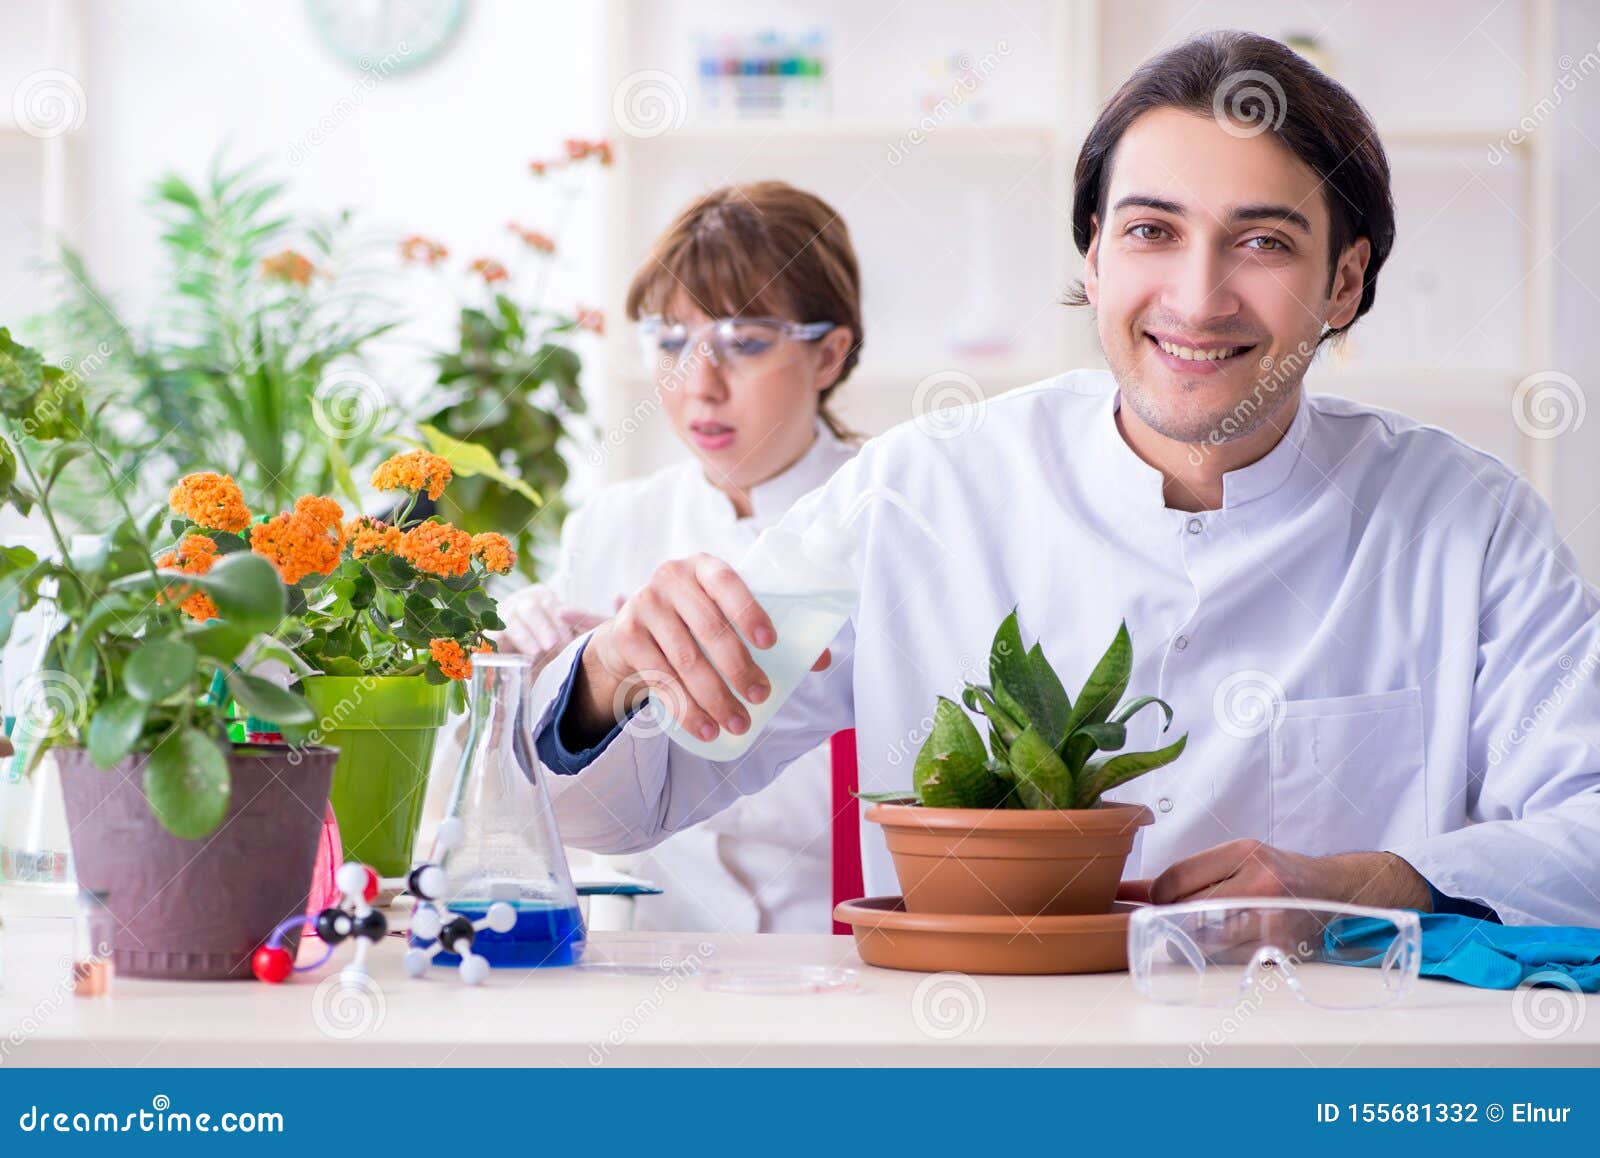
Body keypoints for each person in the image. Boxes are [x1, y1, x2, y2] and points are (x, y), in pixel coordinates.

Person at [527, 31, 1600, 928]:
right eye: (1149, 231)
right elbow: (630, 801)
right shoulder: (923, 492)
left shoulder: (1466, 521)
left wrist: (1364, 886)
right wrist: (613, 674)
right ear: (1092, 256)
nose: (1196, 296)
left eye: (1262, 242)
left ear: (1344, 281)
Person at [493, 181, 861, 933]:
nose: (700, 384)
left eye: (746, 342)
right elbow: (548, 796)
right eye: (670, 341)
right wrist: (535, 674)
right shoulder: (614, 521)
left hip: (840, 944)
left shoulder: (893, 514)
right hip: (643, 951)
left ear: (828, 355)